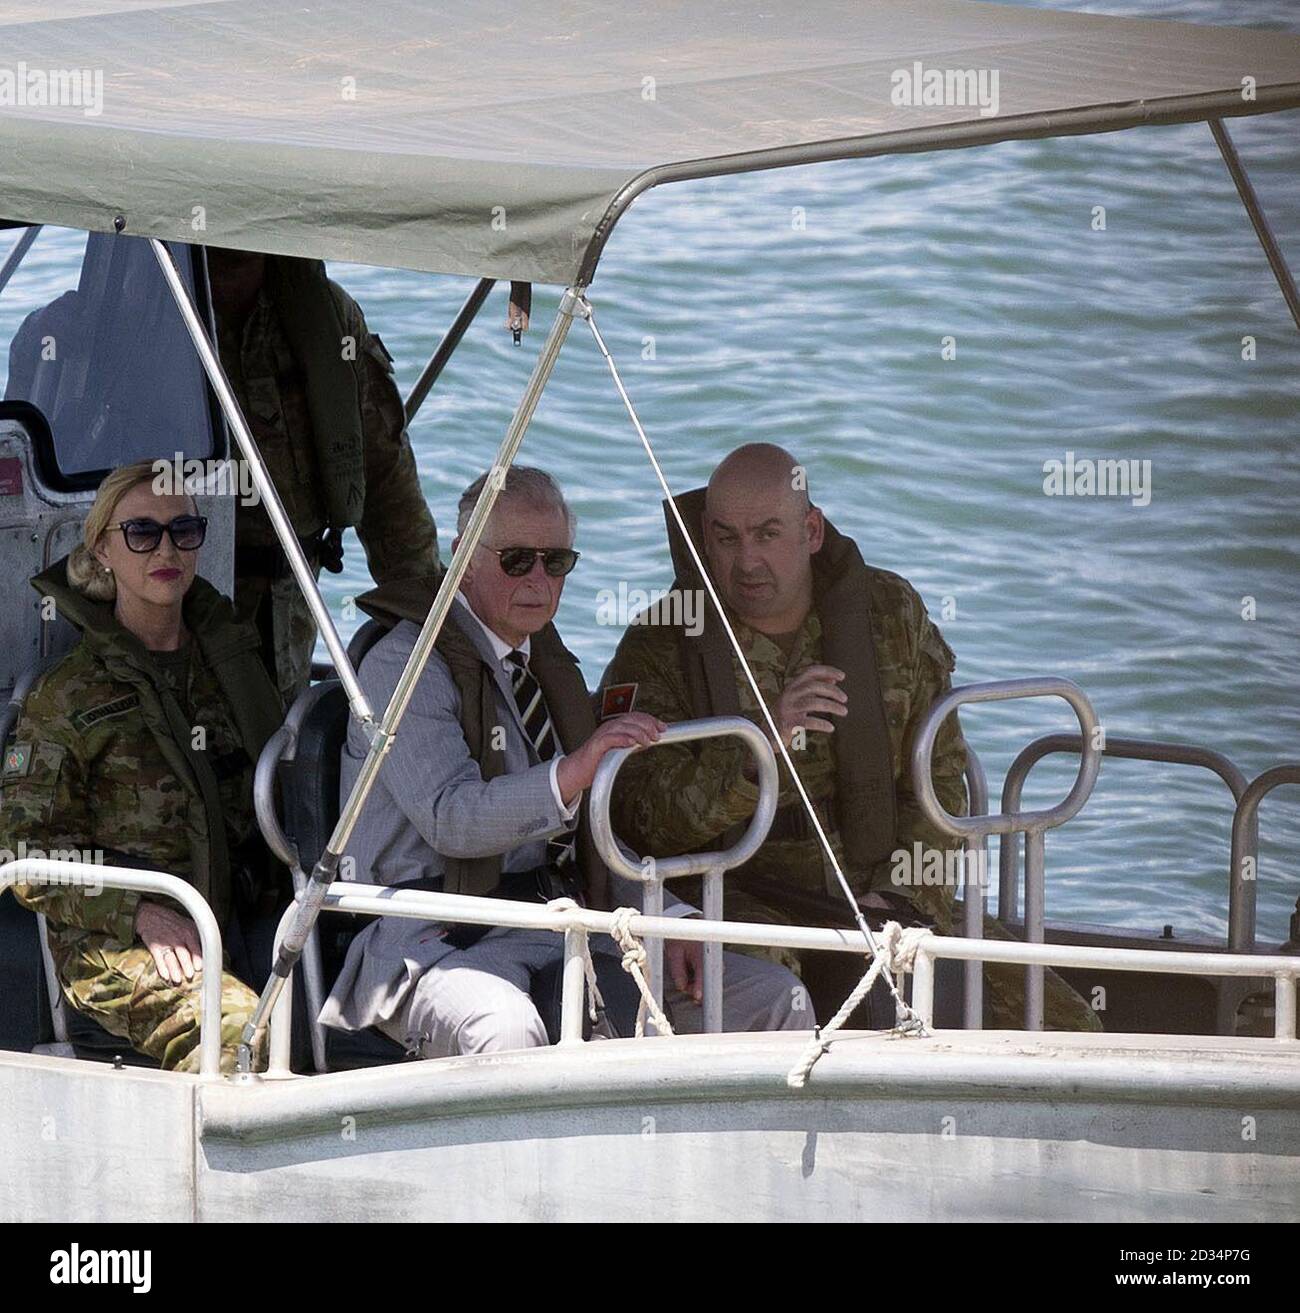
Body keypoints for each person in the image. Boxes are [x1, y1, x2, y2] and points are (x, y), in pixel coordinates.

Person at [598, 442, 1100, 1032]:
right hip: (741, 894)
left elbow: (940, 782)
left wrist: (901, 897)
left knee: (1066, 1022)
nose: (747, 561)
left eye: (767, 535)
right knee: (773, 998)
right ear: (705, 537)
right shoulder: (663, 643)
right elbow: (639, 820)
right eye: (727, 538)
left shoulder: (889, 615)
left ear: (811, 531)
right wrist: (759, 749)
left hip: (878, 885)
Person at [319, 466, 812, 1056]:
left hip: (557, 923)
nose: (538, 579)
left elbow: (585, 844)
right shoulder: (405, 664)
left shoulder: (546, 668)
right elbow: (450, 816)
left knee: (775, 999)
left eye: (555, 562)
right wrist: (575, 770)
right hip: (432, 934)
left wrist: (668, 917)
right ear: (465, 556)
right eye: (517, 560)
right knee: (505, 1028)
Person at [0, 460, 286, 1073]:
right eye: (141, 532)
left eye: (184, 530)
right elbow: (21, 854)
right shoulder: (67, 694)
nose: (166, 549)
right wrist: (139, 912)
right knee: (239, 1036)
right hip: (113, 942)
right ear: (101, 549)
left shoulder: (231, 672)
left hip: (236, 915)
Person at [206, 248, 441, 705]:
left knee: (282, 738)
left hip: (288, 618)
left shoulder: (324, 318)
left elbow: (387, 486)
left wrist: (424, 628)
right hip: (177, 612)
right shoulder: (146, 315)